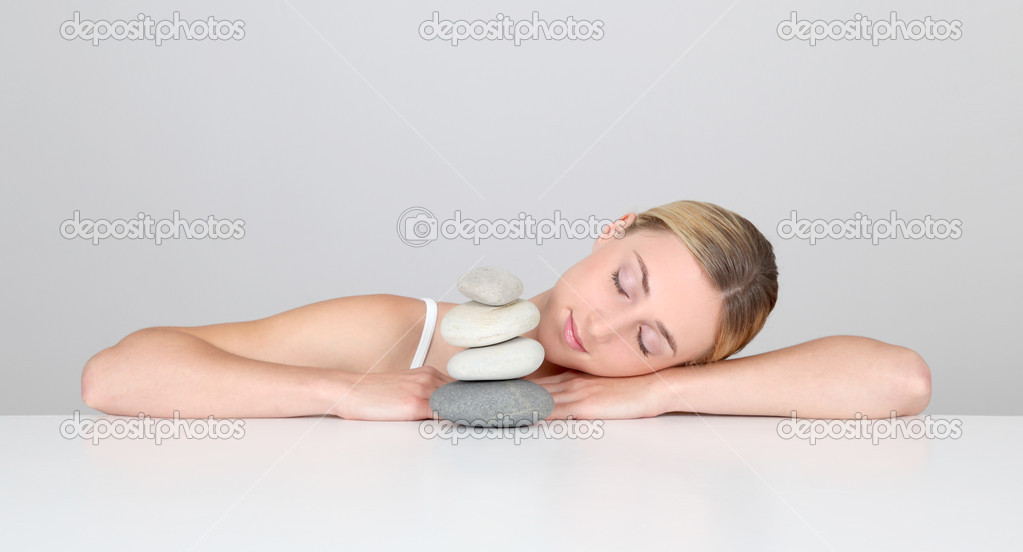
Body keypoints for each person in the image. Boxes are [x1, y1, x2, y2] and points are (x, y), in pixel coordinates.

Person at [80, 200, 931, 422]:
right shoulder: (402, 332)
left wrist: (660, 394)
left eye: (649, 338)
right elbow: (116, 376)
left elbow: (898, 379)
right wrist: (343, 393)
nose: (597, 329)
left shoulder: (660, 391)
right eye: (624, 282)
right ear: (611, 230)